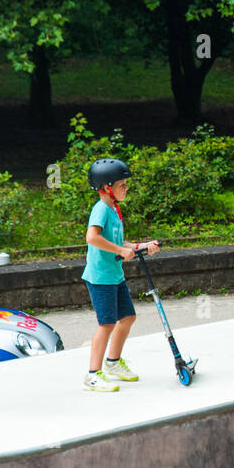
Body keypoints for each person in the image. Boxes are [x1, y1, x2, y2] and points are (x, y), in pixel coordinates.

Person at [80, 158, 159, 392]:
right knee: (106, 324)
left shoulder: (114, 210)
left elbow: (116, 243)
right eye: (122, 185)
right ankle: (92, 375)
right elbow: (92, 237)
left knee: (127, 318)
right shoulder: (101, 209)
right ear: (106, 188)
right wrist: (121, 251)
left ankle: (113, 363)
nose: (126, 188)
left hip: (114, 275)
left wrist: (139, 246)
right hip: (100, 277)